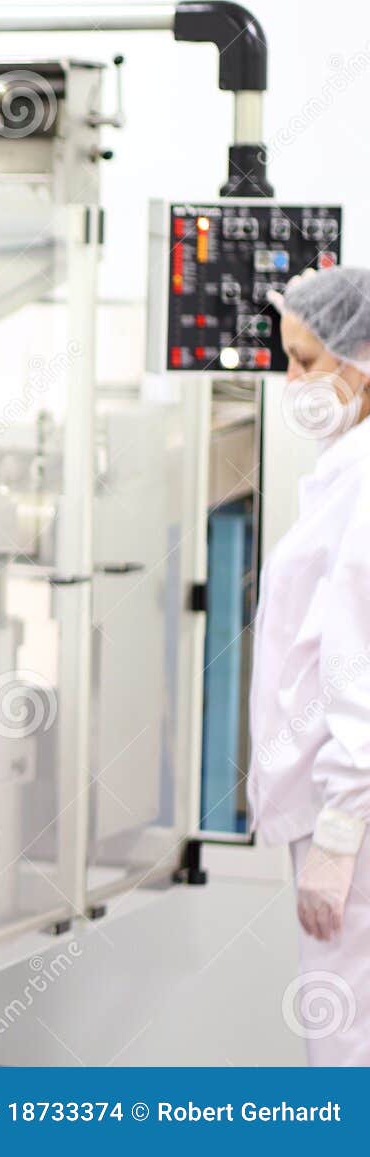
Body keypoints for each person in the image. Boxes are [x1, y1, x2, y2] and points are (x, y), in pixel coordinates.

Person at [248, 265, 370, 1064]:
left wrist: (337, 830)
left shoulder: (364, 483)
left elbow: (357, 665)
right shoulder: (344, 467)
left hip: (353, 826)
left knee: (345, 1041)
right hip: (345, 810)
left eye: (305, 360)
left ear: (359, 366)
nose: (290, 380)